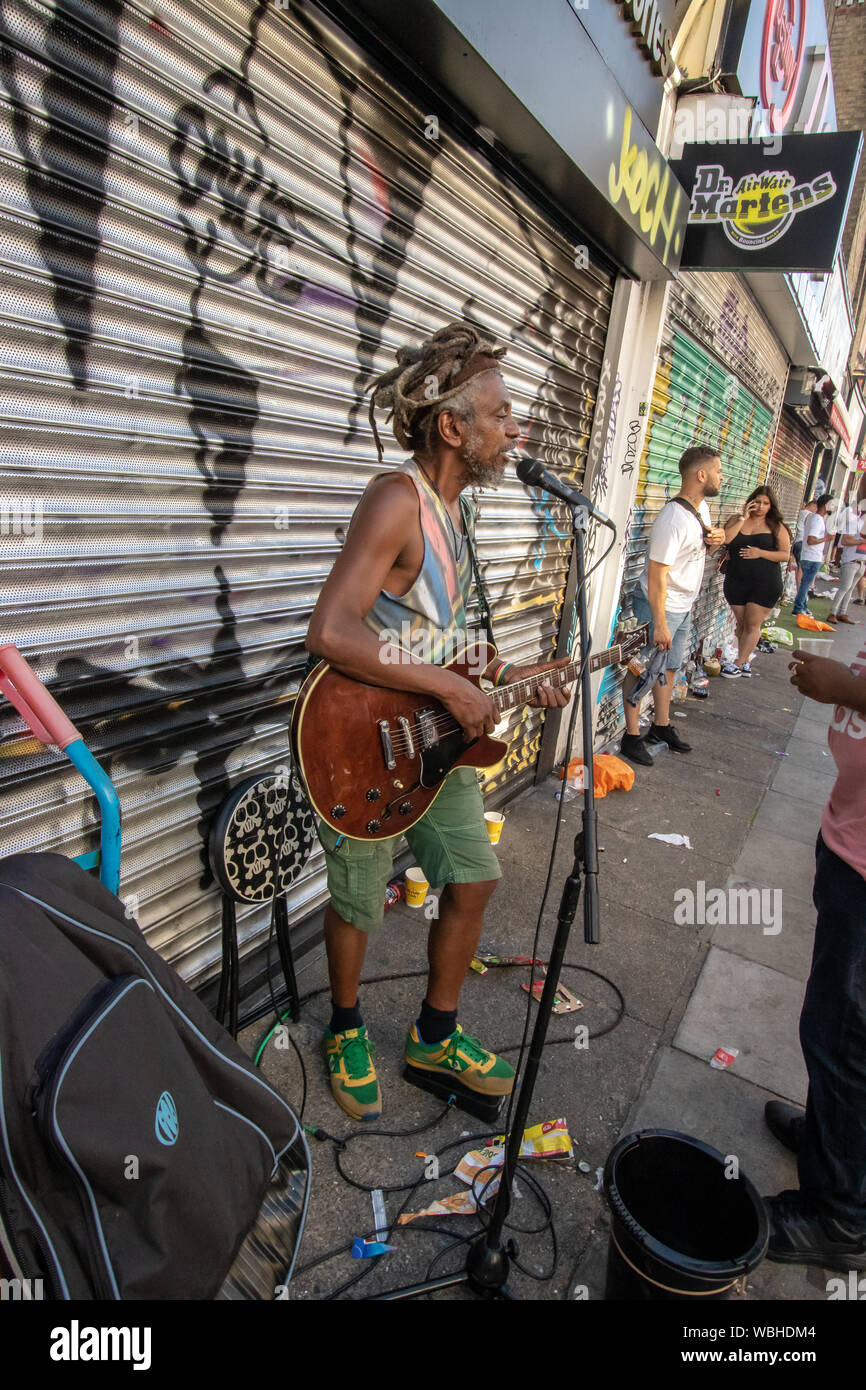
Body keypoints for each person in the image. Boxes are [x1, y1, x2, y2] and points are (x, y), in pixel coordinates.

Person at [304, 322, 572, 1120]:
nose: (512, 429)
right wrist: (446, 688)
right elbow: (331, 630)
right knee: (357, 897)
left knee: (473, 875)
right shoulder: (396, 500)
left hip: (434, 743)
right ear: (453, 427)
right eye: (499, 415)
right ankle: (346, 1028)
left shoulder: (458, 518)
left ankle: (433, 1033)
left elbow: (447, 643)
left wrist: (513, 676)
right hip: (358, 741)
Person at [763, 645, 866, 1271]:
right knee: (834, 1027)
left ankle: (842, 1217)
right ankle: (835, 1140)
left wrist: (849, 691)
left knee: (846, 1037)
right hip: (851, 843)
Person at [620, 445, 725, 766]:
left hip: (682, 604)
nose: (722, 478)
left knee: (669, 667)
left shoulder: (701, 510)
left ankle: (661, 726)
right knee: (641, 669)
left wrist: (715, 540)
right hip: (659, 606)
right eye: (718, 472)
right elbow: (656, 575)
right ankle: (631, 736)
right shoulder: (672, 519)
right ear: (701, 474)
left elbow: (695, 552)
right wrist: (660, 622)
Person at [720, 485, 791, 678]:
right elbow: (727, 539)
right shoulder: (738, 520)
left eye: (765, 503)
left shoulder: (776, 526)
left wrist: (760, 553)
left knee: (752, 624)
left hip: (765, 583)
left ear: (771, 505)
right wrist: (743, 516)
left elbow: (785, 555)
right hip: (736, 580)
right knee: (742, 624)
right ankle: (745, 660)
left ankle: (738, 663)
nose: (760, 506)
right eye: (757, 501)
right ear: (751, 501)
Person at [827, 489, 866, 625]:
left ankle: (842, 612)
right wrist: (861, 541)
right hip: (851, 561)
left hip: (861, 562)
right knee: (845, 587)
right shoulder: (854, 523)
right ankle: (833, 612)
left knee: (849, 589)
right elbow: (844, 541)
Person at [791, 495, 831, 617]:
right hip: (811, 556)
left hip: (810, 555)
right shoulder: (817, 519)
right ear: (826, 505)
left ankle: (802, 607)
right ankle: (799, 608)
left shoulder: (815, 518)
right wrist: (826, 538)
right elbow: (811, 540)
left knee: (805, 583)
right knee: (805, 584)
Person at [792, 498, 816, 592]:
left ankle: (799, 591)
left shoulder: (800, 512)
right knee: (802, 569)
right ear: (814, 506)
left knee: (799, 568)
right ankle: (801, 591)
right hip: (803, 542)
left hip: (797, 542)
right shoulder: (809, 515)